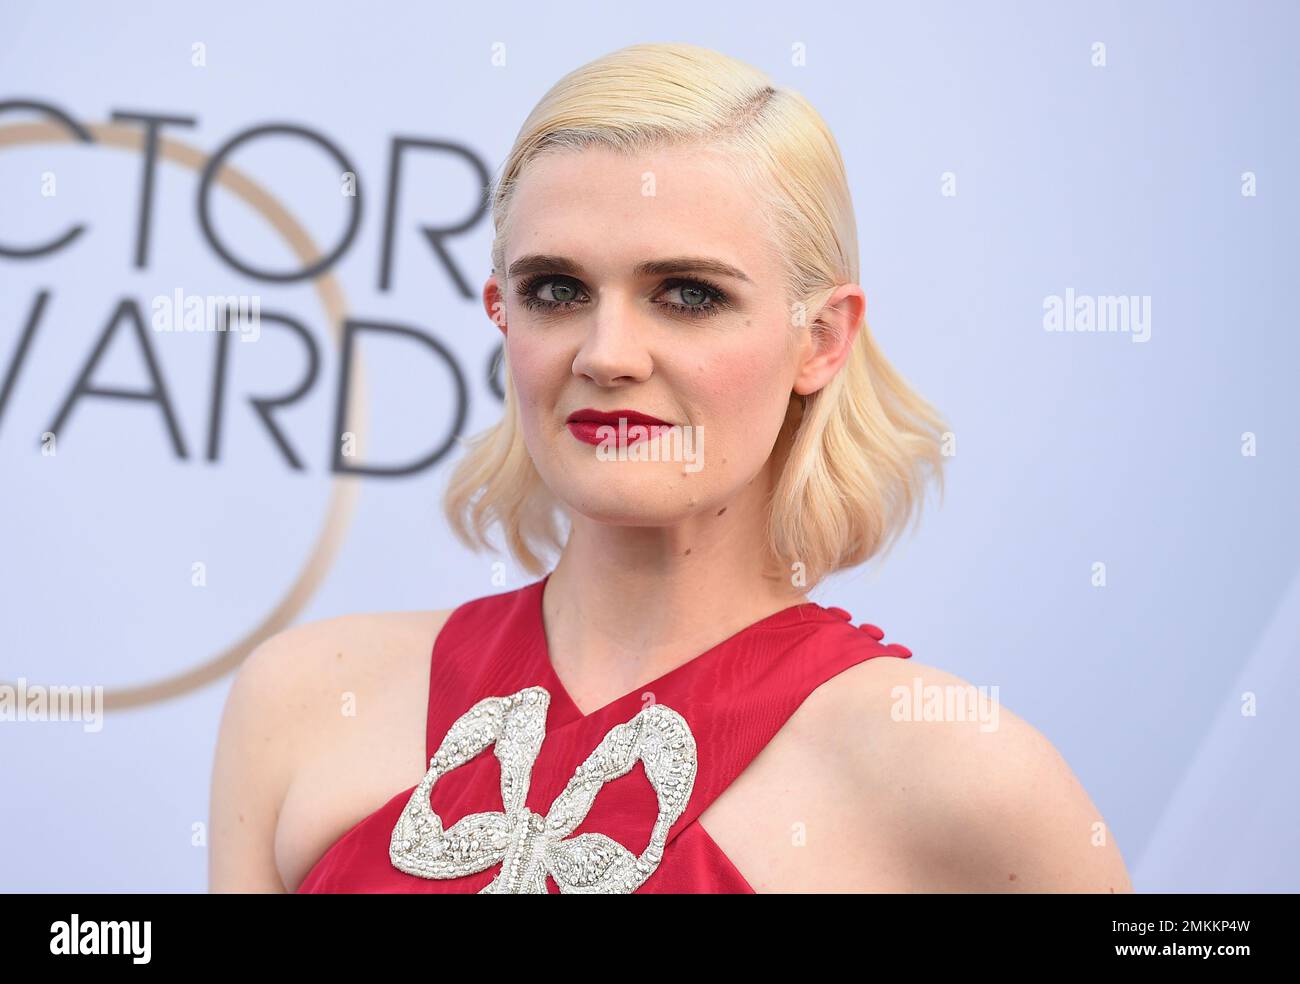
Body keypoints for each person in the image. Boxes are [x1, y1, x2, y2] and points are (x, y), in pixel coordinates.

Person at [209, 41, 1134, 893]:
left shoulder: (962, 776)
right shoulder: (303, 699)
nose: (607, 354)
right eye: (557, 291)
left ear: (821, 339)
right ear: (504, 315)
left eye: (687, 295)